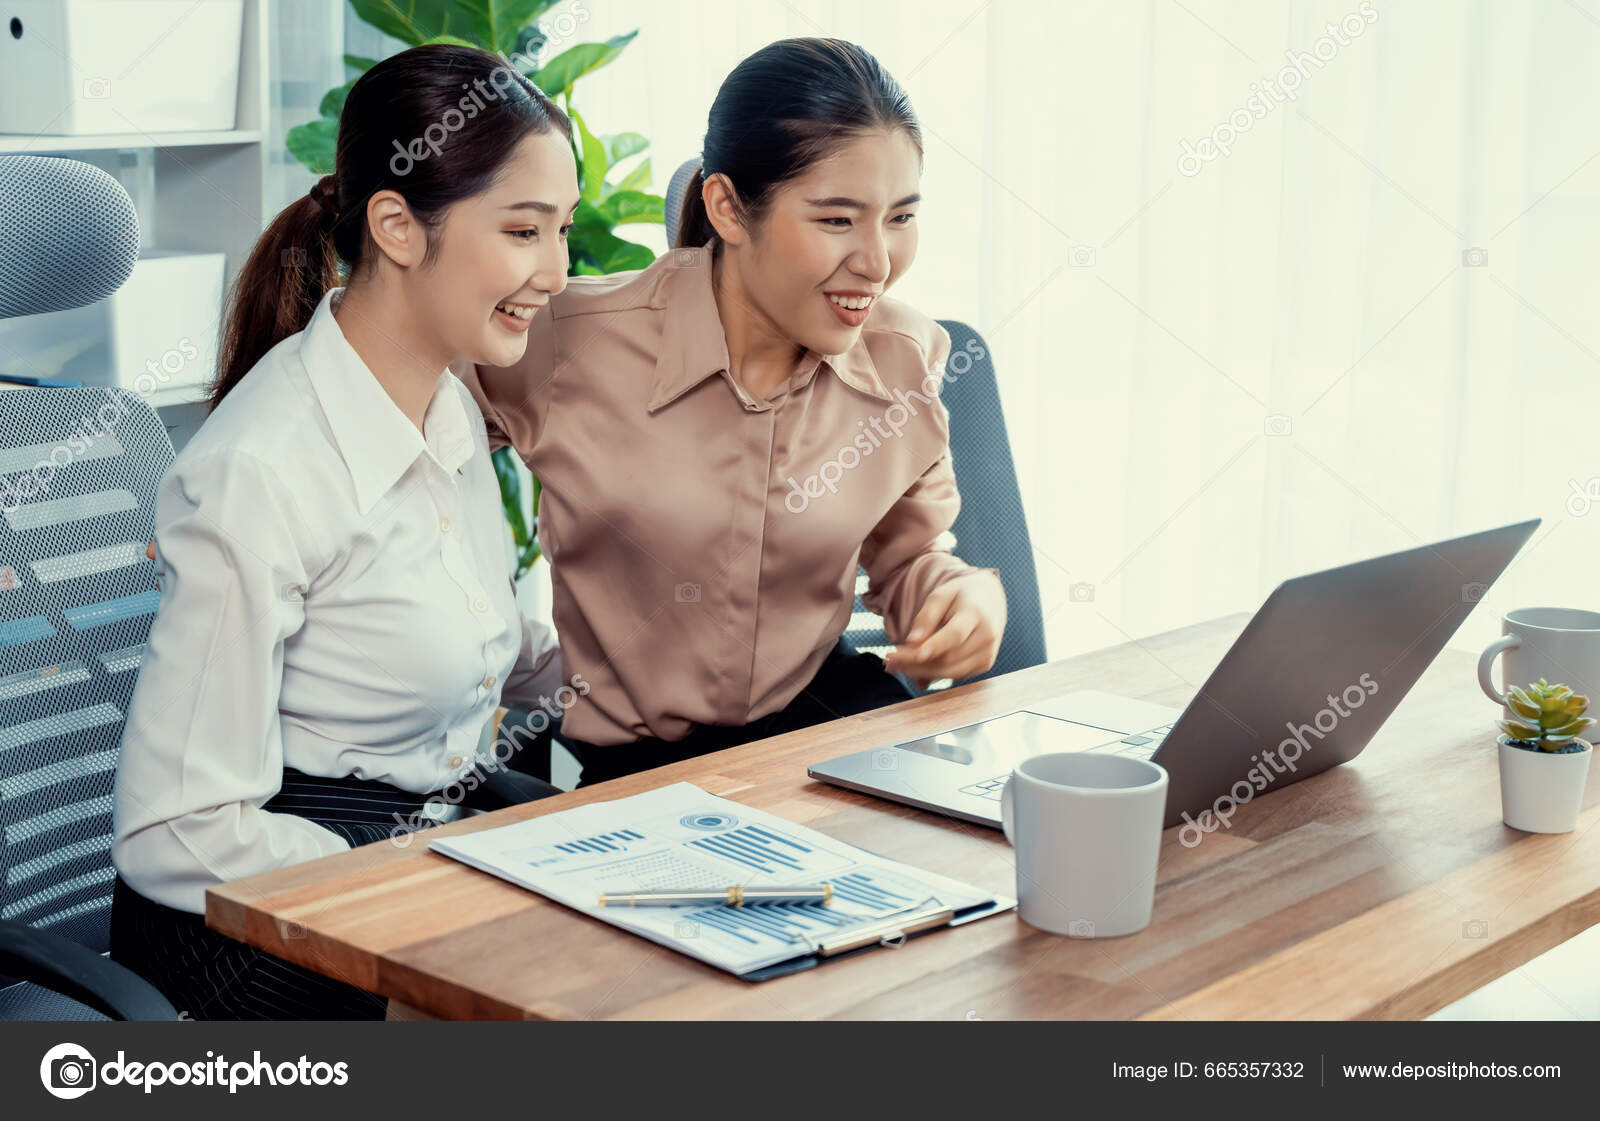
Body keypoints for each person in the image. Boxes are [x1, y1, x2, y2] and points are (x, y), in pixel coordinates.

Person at [110, 44, 578, 1020]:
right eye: (525, 231)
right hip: (259, 918)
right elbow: (175, 830)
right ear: (399, 227)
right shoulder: (261, 468)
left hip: (408, 848)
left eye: (562, 230)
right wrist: (413, 874)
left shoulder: (445, 409)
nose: (558, 272)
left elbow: (493, 643)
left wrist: (641, 665)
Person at [458, 38, 1008, 787]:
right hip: (643, 773)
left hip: (828, 730)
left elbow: (906, 557)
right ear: (728, 208)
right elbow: (403, 451)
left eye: (901, 217)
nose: (879, 262)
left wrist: (955, 594)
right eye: (838, 220)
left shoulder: (903, 358)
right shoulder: (563, 343)